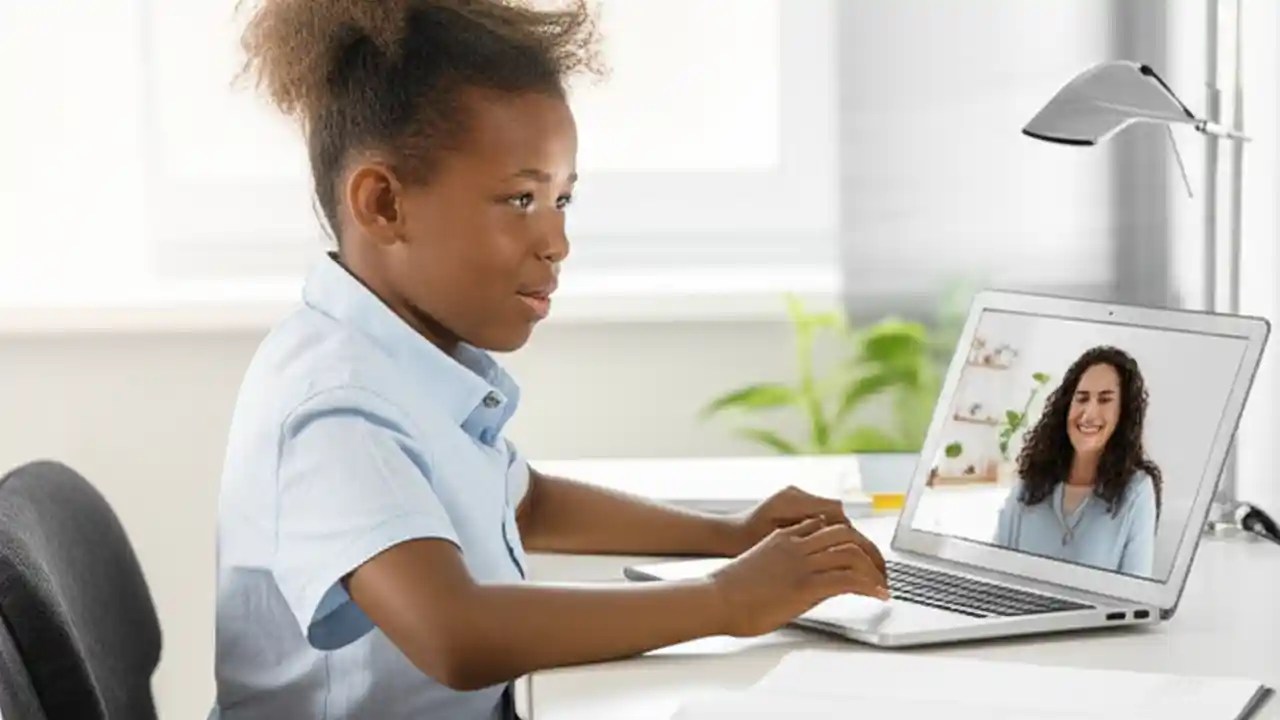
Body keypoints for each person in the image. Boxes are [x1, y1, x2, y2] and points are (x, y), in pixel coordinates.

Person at [213, 2, 889, 719]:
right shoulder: (336, 405)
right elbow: (455, 633)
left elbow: (528, 504)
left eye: (562, 199)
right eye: (520, 198)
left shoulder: (409, 362)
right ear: (384, 205)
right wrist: (726, 599)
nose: (557, 242)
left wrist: (731, 534)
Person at [993, 346, 1161, 576]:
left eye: (1105, 400)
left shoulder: (1136, 491)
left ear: (1123, 413)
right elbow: (994, 572)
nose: (1088, 413)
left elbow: (1136, 591)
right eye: (1082, 398)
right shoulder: (1030, 484)